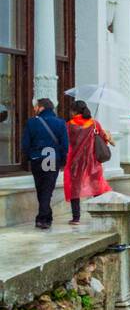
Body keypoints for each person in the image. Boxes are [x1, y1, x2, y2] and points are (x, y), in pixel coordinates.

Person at [21, 98, 68, 230]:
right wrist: (62, 160)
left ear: (41, 107)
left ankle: (43, 218)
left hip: (37, 159)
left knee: (41, 189)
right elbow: (65, 145)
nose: (34, 109)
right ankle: (46, 217)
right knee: (47, 189)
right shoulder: (60, 123)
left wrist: (30, 156)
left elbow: (25, 145)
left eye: (35, 107)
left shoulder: (31, 123)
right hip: (53, 159)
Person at [63, 100, 113, 225]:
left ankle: (76, 218)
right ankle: (99, 214)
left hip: (76, 162)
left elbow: (66, 143)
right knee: (96, 187)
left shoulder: (69, 125)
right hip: (93, 162)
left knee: (75, 188)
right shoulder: (94, 123)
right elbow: (102, 139)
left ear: (74, 111)